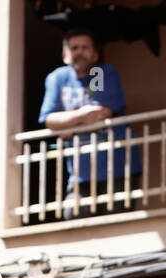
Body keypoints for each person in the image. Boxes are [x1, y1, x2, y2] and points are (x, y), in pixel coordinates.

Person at [38, 27, 139, 216]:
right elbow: (50, 119)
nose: (79, 52)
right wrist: (81, 115)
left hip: (115, 167)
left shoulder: (99, 73)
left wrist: (70, 126)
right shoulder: (58, 78)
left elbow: (100, 112)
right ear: (65, 55)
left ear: (94, 54)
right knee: (73, 214)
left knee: (115, 220)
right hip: (80, 172)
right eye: (74, 48)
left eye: (84, 48)